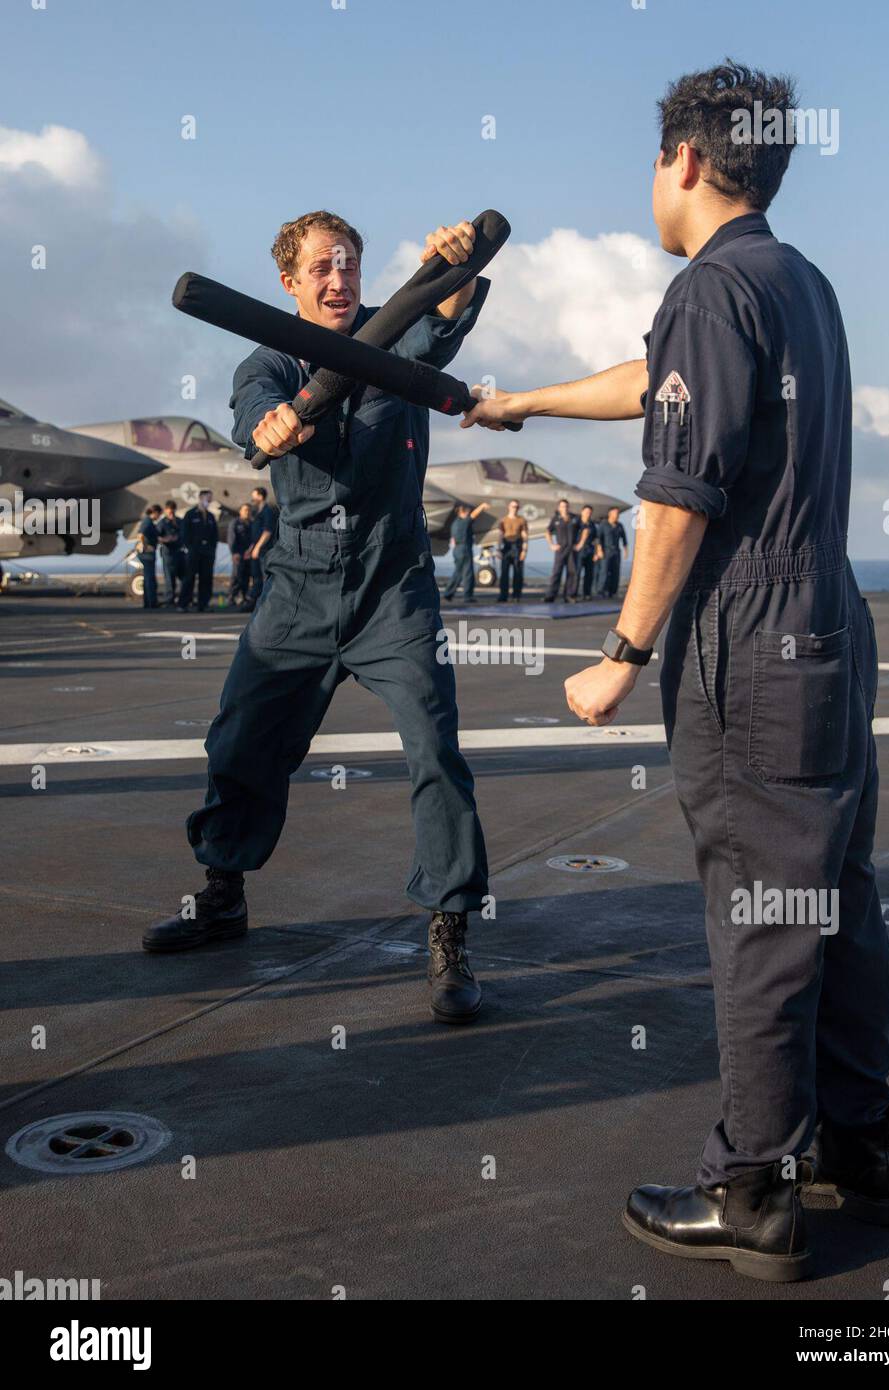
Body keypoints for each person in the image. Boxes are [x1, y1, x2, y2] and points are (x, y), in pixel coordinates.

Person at [463, 61, 889, 1280]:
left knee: (760, 911)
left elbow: (675, 498)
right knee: (832, 899)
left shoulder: (713, 292)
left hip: (751, 641)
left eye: (655, 160)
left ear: (688, 162)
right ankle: (860, 1146)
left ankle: (752, 1185)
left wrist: (618, 653)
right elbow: (656, 385)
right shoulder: (790, 281)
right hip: (828, 624)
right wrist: (528, 405)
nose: (652, 182)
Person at [144, 211, 491, 1025]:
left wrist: (453, 278)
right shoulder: (262, 361)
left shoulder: (388, 337)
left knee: (435, 748)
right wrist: (271, 424)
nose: (338, 282)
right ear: (289, 284)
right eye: (320, 270)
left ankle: (449, 926)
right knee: (239, 740)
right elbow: (252, 416)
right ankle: (223, 893)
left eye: (348, 267)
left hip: (391, 586)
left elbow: (433, 340)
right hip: (296, 589)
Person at [178, 489, 219, 612]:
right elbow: (185, 533)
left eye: (210, 499)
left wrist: (212, 550)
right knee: (189, 578)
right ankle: (183, 604)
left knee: (206, 578)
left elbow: (214, 535)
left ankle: (203, 604)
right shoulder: (190, 514)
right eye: (208, 498)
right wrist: (191, 548)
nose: (209, 501)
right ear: (201, 498)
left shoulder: (211, 516)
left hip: (207, 553)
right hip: (194, 551)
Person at [242, 485, 280, 610]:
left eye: (254, 495)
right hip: (256, 550)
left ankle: (267, 603)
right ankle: (255, 602)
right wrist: (251, 548)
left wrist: (258, 548)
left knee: (265, 576)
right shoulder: (257, 511)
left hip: (264, 550)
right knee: (256, 577)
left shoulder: (267, 511)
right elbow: (256, 533)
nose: (252, 498)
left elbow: (267, 532)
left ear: (260, 496)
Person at [443, 501, 488, 603]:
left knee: (458, 572)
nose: (468, 512)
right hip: (464, 549)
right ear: (462, 512)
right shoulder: (463, 522)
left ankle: (448, 593)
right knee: (468, 573)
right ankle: (467, 596)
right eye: (467, 511)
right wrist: (482, 506)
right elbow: (473, 516)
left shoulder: (455, 523)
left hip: (457, 550)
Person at [543, 498, 578, 603]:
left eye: (566, 506)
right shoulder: (556, 519)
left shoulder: (575, 518)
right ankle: (551, 595)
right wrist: (551, 545)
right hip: (560, 549)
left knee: (572, 572)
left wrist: (580, 544)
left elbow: (585, 529)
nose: (565, 508)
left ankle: (569, 595)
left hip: (571, 549)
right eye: (562, 506)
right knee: (556, 572)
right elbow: (547, 531)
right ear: (559, 508)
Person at [497, 498, 528, 602]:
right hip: (506, 547)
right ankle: (503, 595)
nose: (515, 509)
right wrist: (498, 549)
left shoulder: (522, 520)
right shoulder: (503, 520)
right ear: (509, 507)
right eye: (513, 506)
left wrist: (524, 550)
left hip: (517, 547)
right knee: (504, 573)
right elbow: (500, 535)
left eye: (517, 507)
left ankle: (516, 595)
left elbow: (525, 536)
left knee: (518, 573)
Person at [156, 500, 183, 607]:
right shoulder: (162, 523)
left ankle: (183, 598)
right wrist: (165, 539)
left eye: (172, 511)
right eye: (169, 512)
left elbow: (184, 533)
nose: (171, 514)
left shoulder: (180, 521)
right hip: (168, 553)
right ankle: (169, 599)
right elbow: (156, 536)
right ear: (166, 510)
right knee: (169, 578)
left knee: (184, 577)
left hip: (180, 552)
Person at [596, 506, 628, 597]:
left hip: (616, 551)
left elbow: (624, 539)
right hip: (606, 551)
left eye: (618, 513)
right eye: (615, 513)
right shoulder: (603, 524)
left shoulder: (619, 525)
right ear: (610, 514)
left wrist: (626, 551)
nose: (617, 515)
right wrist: (599, 550)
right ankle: (601, 591)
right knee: (604, 571)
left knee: (615, 572)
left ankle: (613, 591)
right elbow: (598, 538)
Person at [227, 503, 253, 606]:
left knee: (246, 576)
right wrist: (234, 553)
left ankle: (243, 596)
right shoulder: (235, 523)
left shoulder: (252, 523)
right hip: (238, 554)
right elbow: (231, 539)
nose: (247, 512)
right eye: (245, 510)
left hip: (249, 554)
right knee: (236, 576)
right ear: (240, 511)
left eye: (249, 510)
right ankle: (231, 597)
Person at [137, 505, 161, 609]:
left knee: (148, 578)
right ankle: (151, 603)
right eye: (159, 514)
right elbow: (140, 535)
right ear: (155, 512)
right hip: (147, 554)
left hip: (148, 554)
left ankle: (148, 602)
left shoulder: (148, 522)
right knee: (149, 579)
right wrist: (146, 546)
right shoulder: (147, 522)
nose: (159, 516)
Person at [572, 503, 598, 600]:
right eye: (586, 512)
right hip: (578, 552)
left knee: (589, 574)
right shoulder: (576, 522)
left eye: (590, 512)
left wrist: (596, 552)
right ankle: (573, 594)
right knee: (577, 573)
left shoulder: (592, 524)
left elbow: (596, 539)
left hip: (589, 551)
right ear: (582, 512)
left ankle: (587, 594)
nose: (588, 514)